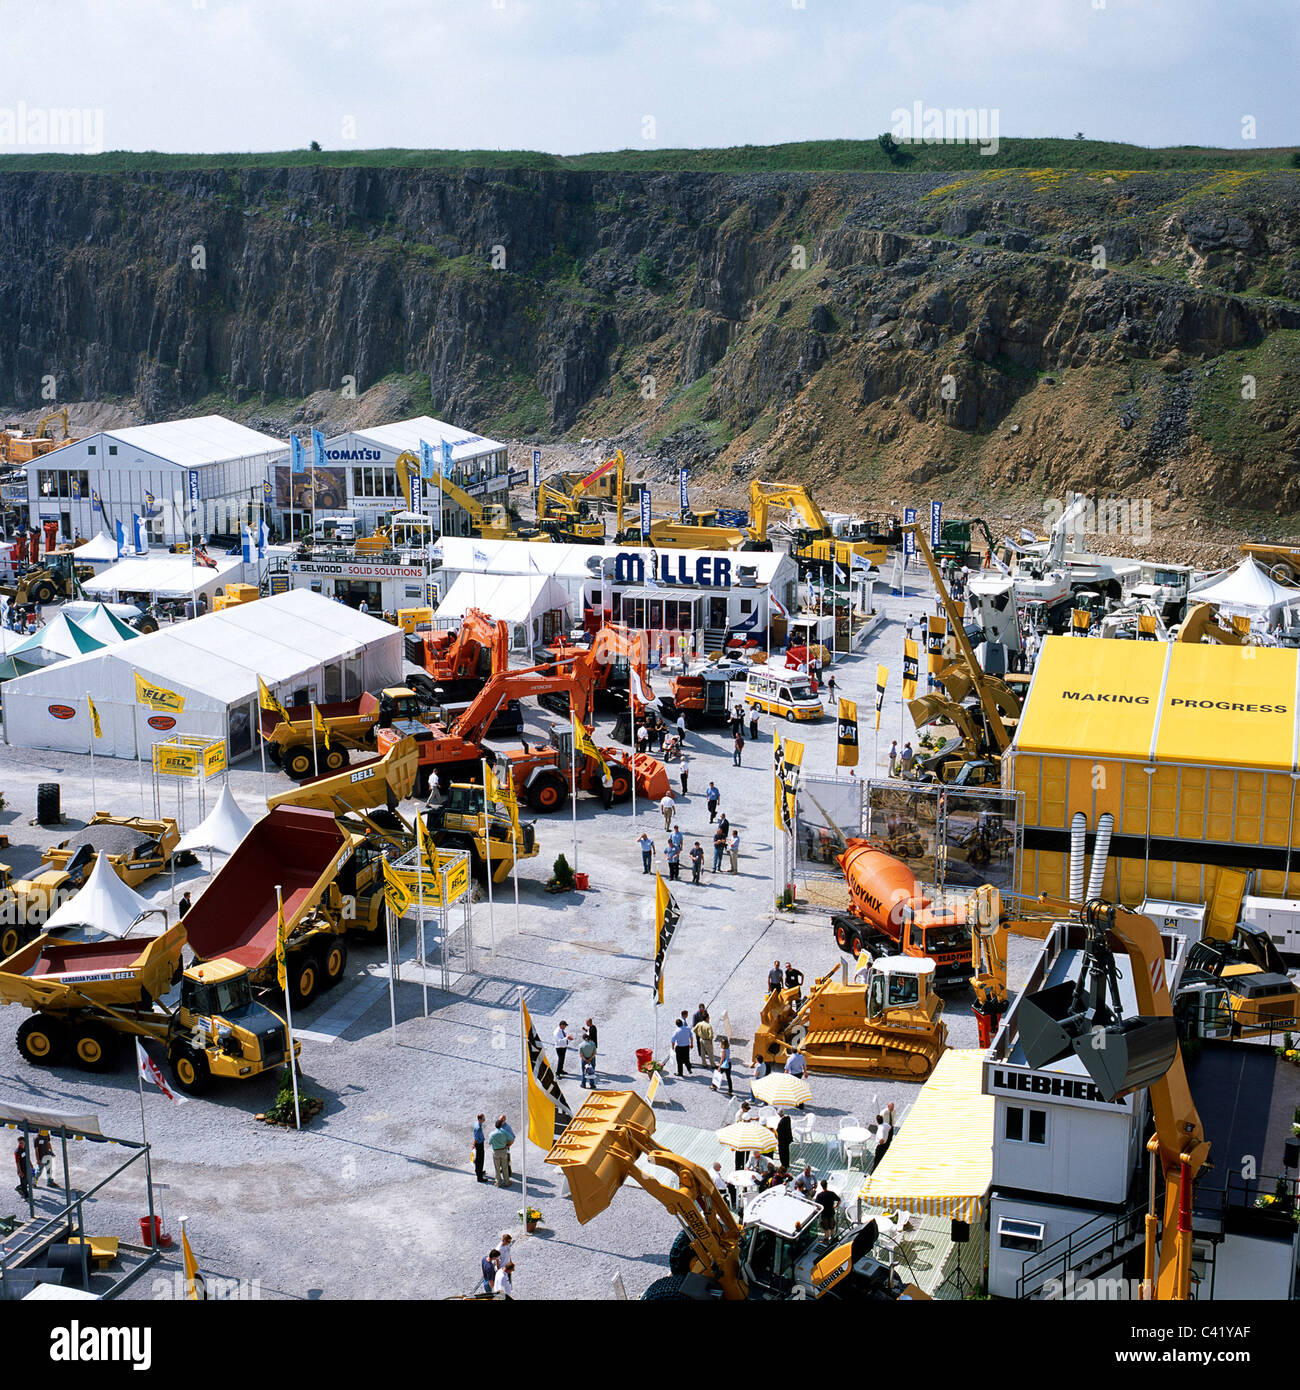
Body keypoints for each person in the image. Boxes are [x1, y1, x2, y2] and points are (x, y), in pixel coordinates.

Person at [488, 1115, 515, 1187]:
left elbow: (489, 1142)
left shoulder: (492, 1134)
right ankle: (507, 1182)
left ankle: (498, 1182)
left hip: (496, 1151)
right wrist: (508, 1145)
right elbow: (512, 1138)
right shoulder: (504, 1132)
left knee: (497, 1168)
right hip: (503, 1150)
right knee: (505, 1167)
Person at [472, 1113, 488, 1183]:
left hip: (479, 1143)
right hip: (479, 1144)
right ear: (480, 1119)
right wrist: (473, 1144)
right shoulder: (478, 1128)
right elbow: (475, 1138)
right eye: (483, 1118)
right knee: (480, 1160)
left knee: (478, 1159)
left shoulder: (477, 1124)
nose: (484, 1119)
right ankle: (480, 1177)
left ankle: (478, 1171)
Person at [13, 1135, 29, 1201]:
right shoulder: (17, 1151)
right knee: (24, 1184)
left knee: (27, 1181)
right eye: (20, 1143)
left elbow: (27, 1157)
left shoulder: (25, 1148)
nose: (21, 1144)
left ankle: (19, 1187)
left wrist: (30, 1165)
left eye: (22, 1142)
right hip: (21, 1169)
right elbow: (17, 1162)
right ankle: (26, 1196)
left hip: (26, 1168)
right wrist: (20, 1171)